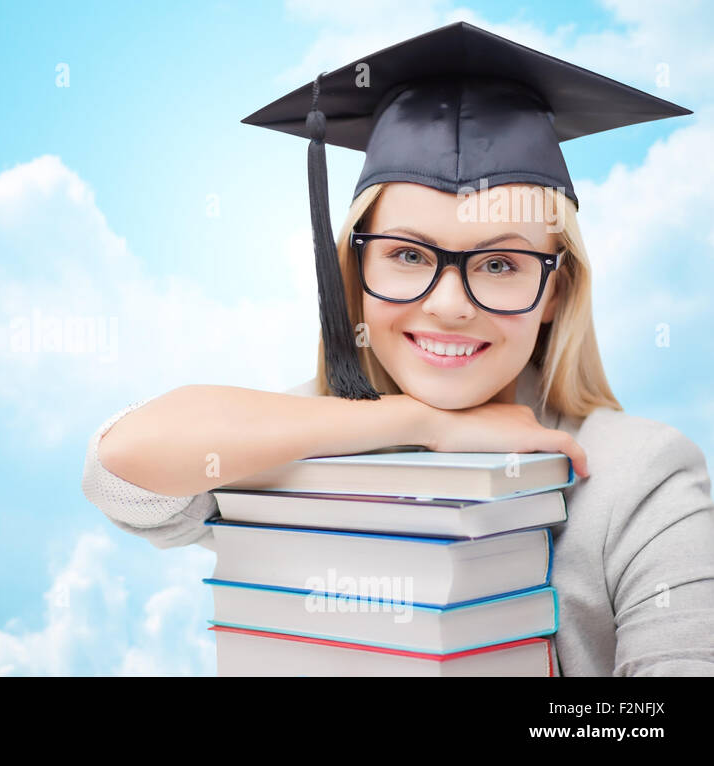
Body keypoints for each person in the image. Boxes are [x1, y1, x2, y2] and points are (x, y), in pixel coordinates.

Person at [80, 22, 714, 676]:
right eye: (408, 255)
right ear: (354, 272)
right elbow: (121, 466)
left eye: (500, 264)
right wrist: (421, 424)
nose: (449, 304)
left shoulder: (638, 477)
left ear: (556, 288)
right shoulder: (288, 441)